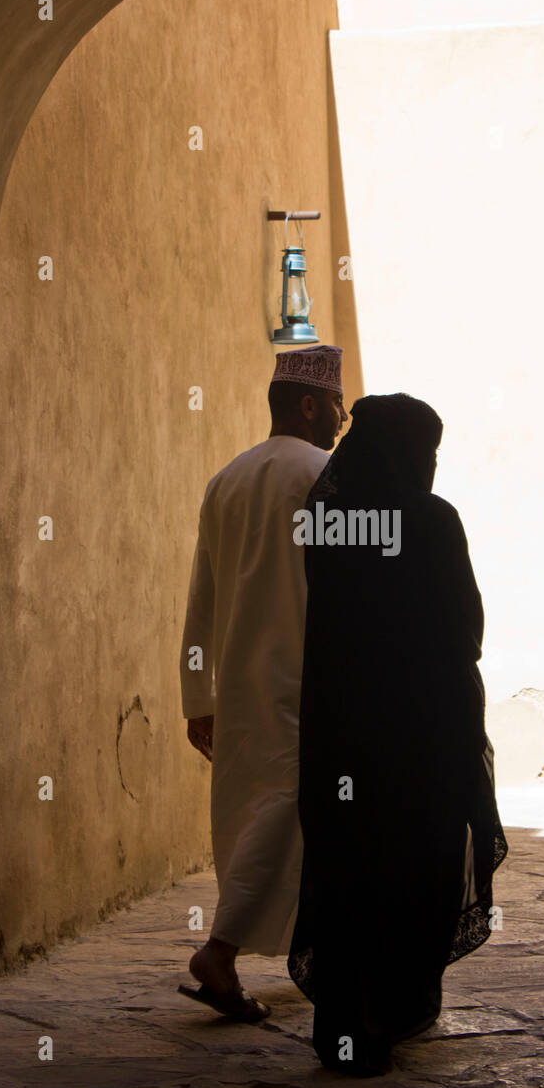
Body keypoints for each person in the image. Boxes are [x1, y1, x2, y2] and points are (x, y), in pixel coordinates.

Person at [288, 393, 508, 1075]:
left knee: (349, 866)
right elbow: (463, 628)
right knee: (415, 864)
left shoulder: (321, 520)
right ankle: (394, 1006)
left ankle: (346, 1025)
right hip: (421, 733)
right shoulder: (433, 520)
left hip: (342, 730)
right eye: (428, 452)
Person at [179, 344, 348, 1021]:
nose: (341, 417)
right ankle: (219, 949)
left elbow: (201, 599)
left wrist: (198, 699)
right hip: (307, 681)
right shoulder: (329, 475)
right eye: (335, 404)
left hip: (242, 688)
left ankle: (314, 949)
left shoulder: (227, 479)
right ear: (309, 404)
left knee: (260, 815)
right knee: (285, 813)